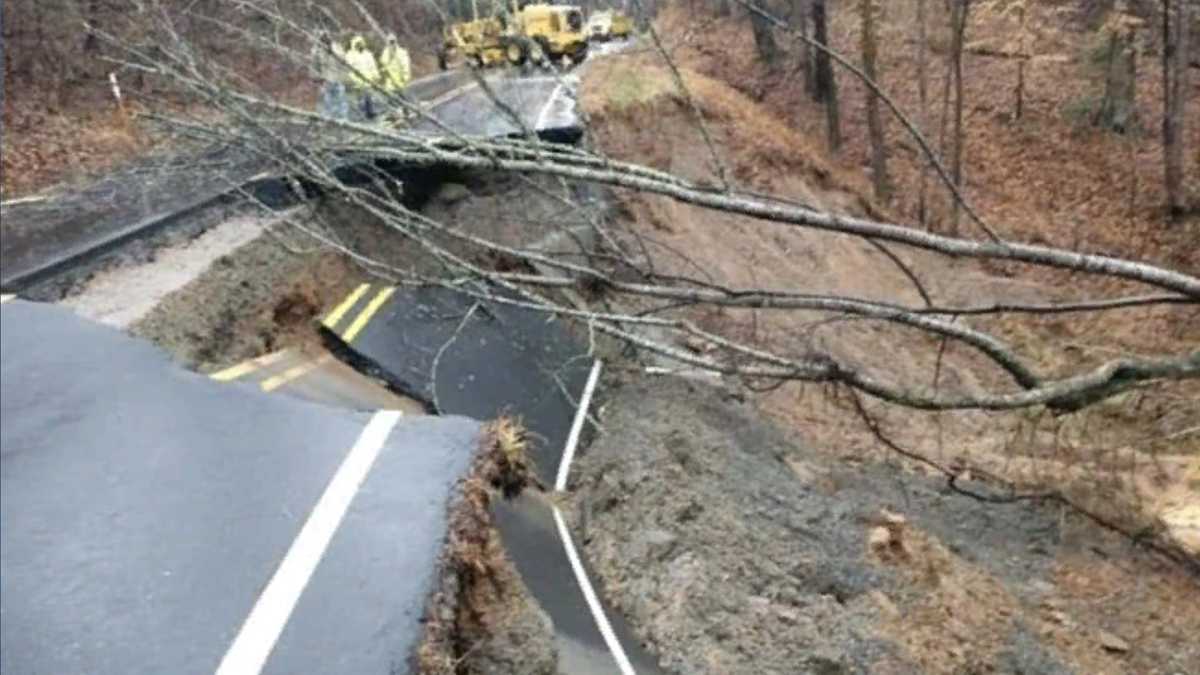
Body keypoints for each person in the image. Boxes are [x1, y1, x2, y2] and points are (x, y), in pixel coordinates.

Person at [311, 30, 349, 121]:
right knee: (326, 99)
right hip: (325, 78)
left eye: (326, 37)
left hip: (338, 77)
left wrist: (332, 51)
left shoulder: (337, 47)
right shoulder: (317, 50)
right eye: (322, 38)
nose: (325, 39)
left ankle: (342, 117)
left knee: (340, 98)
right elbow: (315, 65)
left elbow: (343, 60)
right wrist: (316, 77)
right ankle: (327, 117)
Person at [344, 34, 380, 120]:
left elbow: (373, 66)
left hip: (368, 79)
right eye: (358, 44)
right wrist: (353, 79)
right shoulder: (350, 55)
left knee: (368, 96)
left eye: (361, 43)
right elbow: (349, 68)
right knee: (359, 98)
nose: (360, 45)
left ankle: (370, 112)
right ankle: (360, 114)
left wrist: (376, 76)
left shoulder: (368, 54)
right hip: (357, 80)